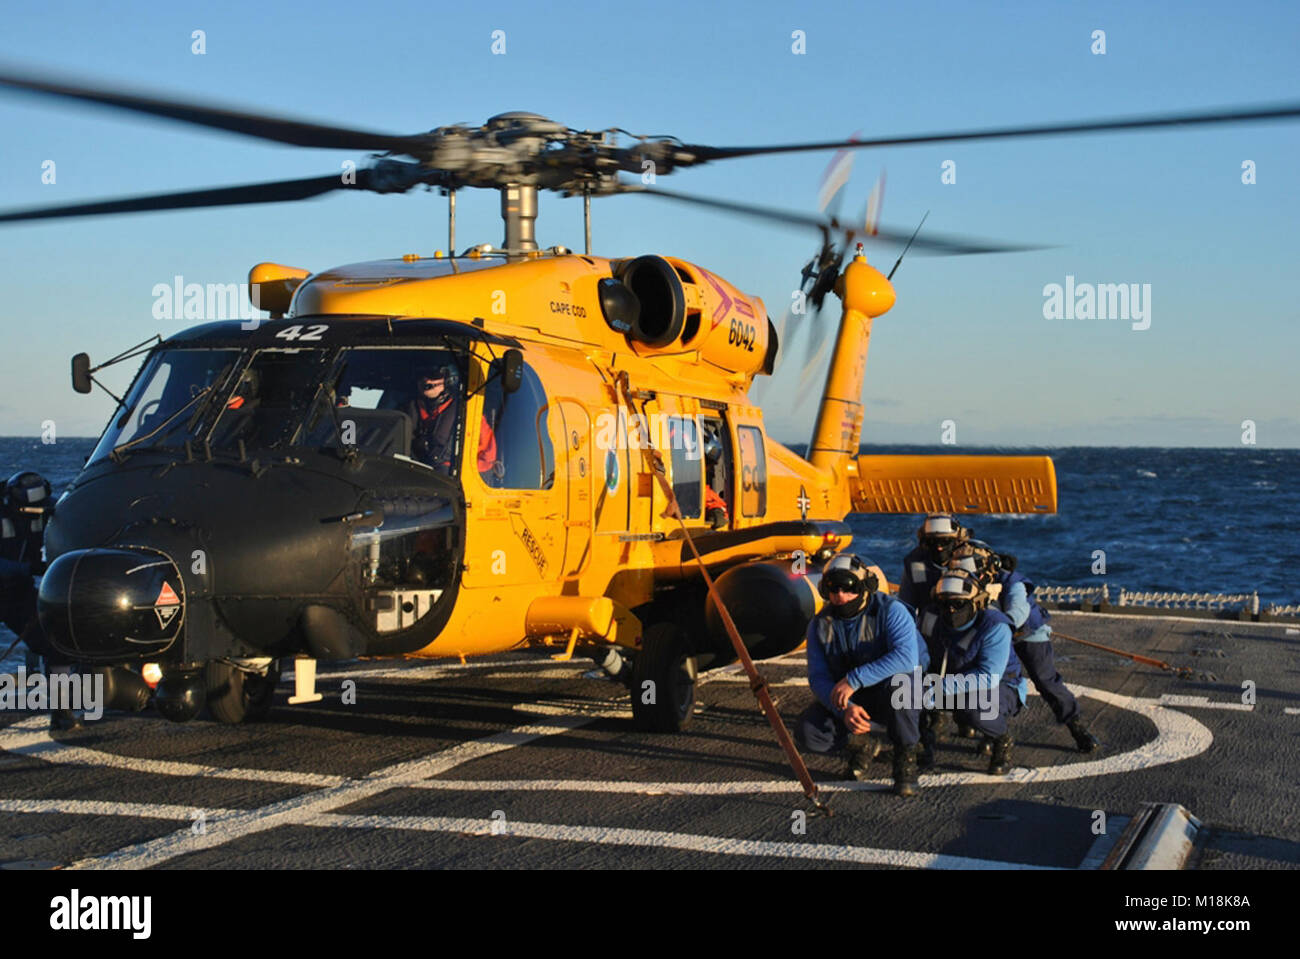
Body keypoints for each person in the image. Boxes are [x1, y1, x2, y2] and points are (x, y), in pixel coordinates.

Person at [795, 553, 929, 797]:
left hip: (891, 691)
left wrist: (854, 679)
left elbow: (907, 658)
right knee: (809, 731)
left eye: (849, 587)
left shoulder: (892, 611)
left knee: (903, 687)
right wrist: (844, 709)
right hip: (853, 698)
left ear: (866, 586)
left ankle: (905, 758)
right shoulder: (819, 624)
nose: (840, 596)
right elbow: (818, 677)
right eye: (832, 588)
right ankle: (862, 745)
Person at [948, 541, 1101, 754]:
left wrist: (998, 631)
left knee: (1045, 680)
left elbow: (1018, 613)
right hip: (994, 633)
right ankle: (989, 732)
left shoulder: (1012, 583)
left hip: (1025, 632)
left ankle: (1076, 727)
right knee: (987, 680)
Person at [916, 568, 1022, 775]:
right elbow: (918, 651)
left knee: (976, 709)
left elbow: (988, 676)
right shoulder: (930, 618)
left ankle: (1001, 739)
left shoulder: (995, 626)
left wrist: (935, 687)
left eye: (959, 604)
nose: (952, 610)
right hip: (947, 682)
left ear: (976, 602)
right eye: (945, 604)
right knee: (901, 694)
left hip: (998, 687)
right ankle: (920, 745)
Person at [405, 364, 497, 474]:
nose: (427, 380)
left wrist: (455, 468)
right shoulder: (407, 411)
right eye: (422, 375)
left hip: (448, 481)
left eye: (434, 375)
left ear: (448, 381)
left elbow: (487, 460)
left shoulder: (467, 414)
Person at [898, 512, 969, 608]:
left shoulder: (968, 561)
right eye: (933, 542)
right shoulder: (916, 564)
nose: (939, 548)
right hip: (930, 617)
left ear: (957, 540)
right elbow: (906, 604)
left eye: (945, 541)